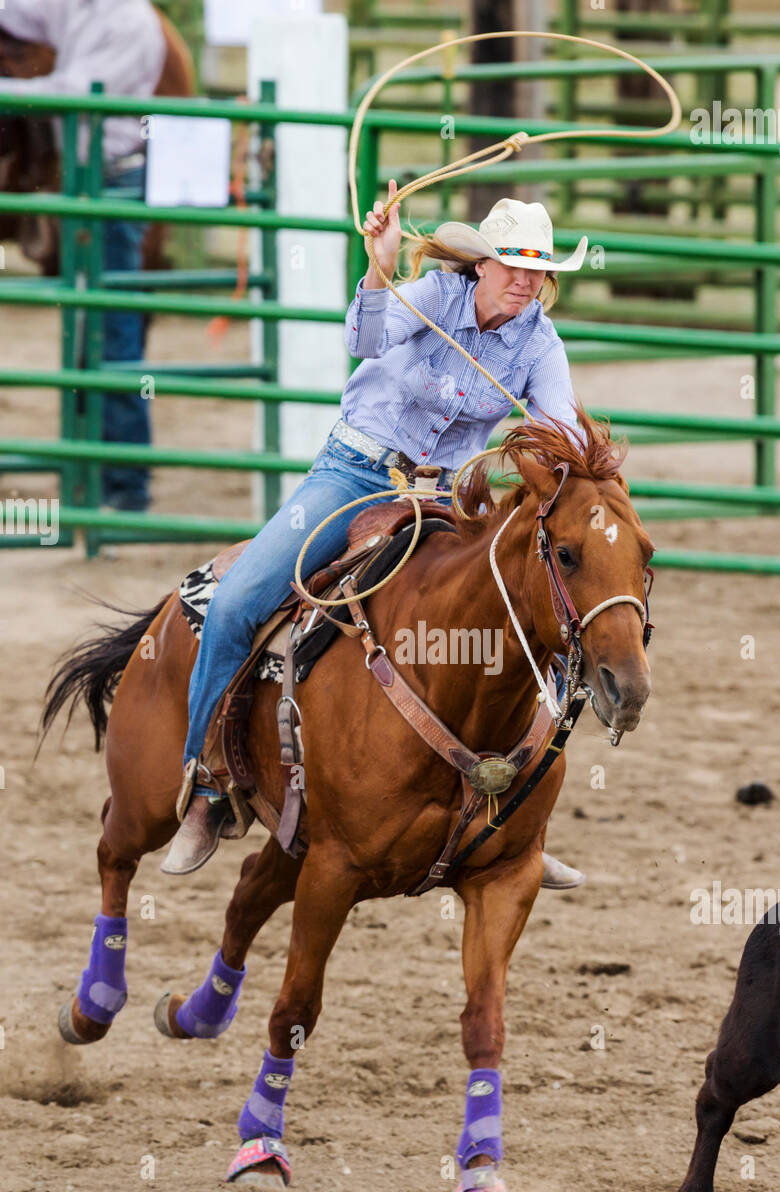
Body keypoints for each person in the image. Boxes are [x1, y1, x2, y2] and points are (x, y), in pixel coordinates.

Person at [163, 184, 590, 888]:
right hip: (355, 472)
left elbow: (562, 424)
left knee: (528, 611)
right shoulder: (434, 297)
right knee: (239, 603)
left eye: (537, 269)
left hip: (449, 495)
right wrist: (378, 270)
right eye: (511, 264)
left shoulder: (539, 341)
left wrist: (570, 465)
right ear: (480, 264)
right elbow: (362, 340)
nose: (524, 280)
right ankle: (206, 783)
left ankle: (515, 821)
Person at [0, 0, 166, 511]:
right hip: (88, 182)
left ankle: (127, 486)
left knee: (112, 331)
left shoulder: (130, 23)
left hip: (114, 180)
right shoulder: (81, 5)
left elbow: (79, 92)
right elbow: (20, 13)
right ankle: (102, 475)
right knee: (89, 328)